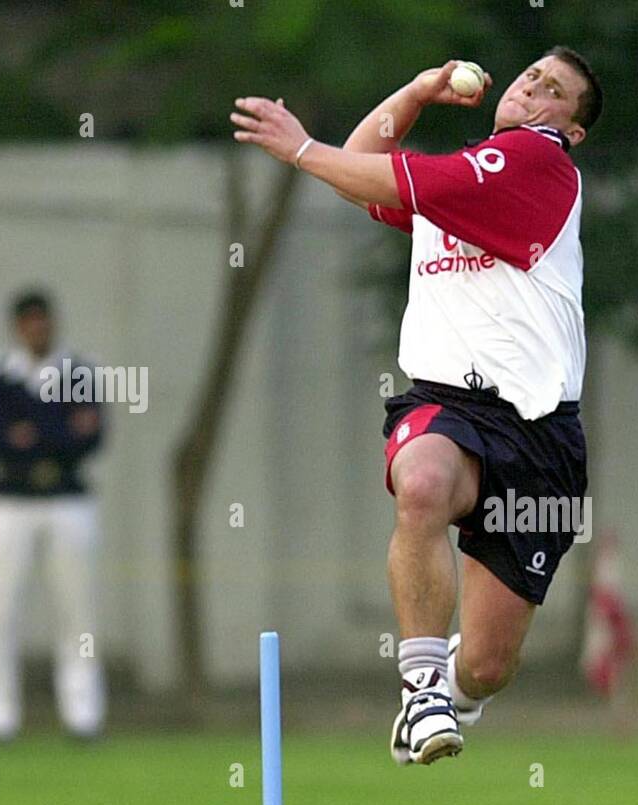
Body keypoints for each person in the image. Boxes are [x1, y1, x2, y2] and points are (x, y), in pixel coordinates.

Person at [232, 49, 603, 765]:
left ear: (571, 129)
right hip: (447, 404)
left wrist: (301, 149)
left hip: (540, 436)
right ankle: (423, 690)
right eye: (529, 76)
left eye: (554, 91)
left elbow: (367, 168)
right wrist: (417, 90)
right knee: (423, 484)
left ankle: (452, 689)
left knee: (491, 666)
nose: (531, 91)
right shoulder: (465, 181)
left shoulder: (537, 162)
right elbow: (362, 168)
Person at [0, 291, 107, 741]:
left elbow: (91, 440)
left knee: (77, 611)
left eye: (43, 321)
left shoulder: (80, 371)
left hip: (69, 501)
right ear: (17, 327)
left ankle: (83, 715)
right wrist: (60, 431)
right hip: (10, 504)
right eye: (29, 322)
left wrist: (34, 434)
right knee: (1, 608)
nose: (37, 330)